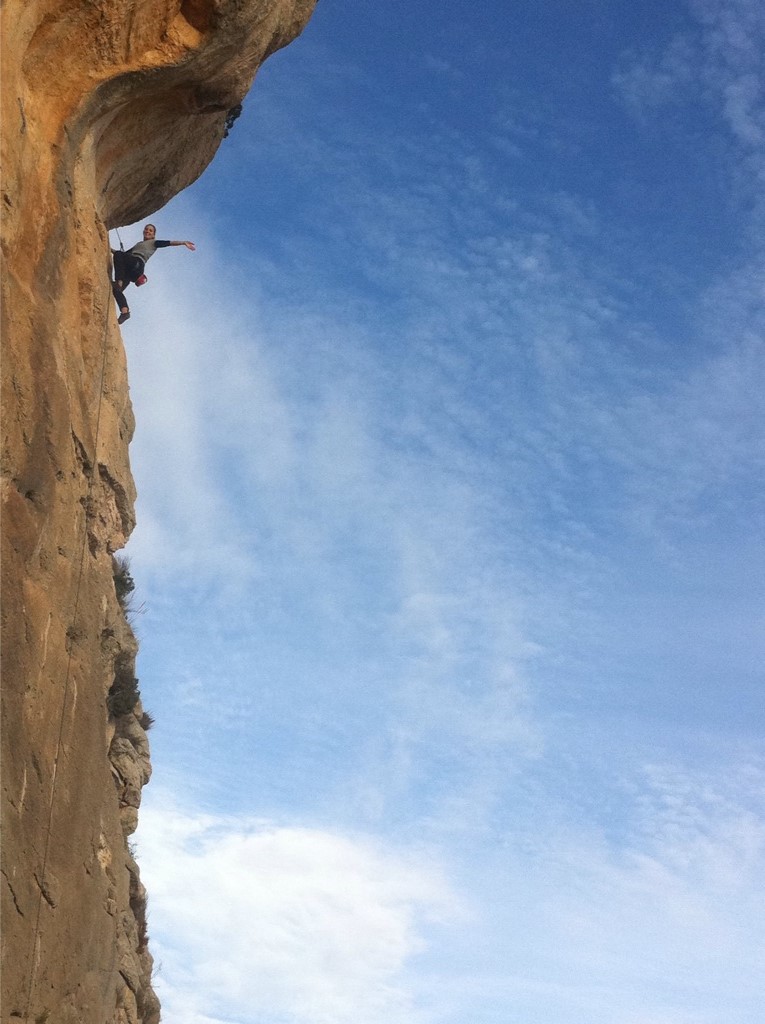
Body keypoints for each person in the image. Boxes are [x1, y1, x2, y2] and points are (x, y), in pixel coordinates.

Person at [111, 223, 196, 324]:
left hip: (138, 264)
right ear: (143, 232)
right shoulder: (139, 244)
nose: (147, 231)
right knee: (116, 291)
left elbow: (168, 243)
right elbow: (122, 255)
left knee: (119, 258)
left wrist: (183, 242)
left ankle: (119, 281)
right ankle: (125, 312)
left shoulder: (154, 243)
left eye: (150, 230)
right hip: (131, 271)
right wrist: (110, 248)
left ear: (153, 235)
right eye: (146, 229)